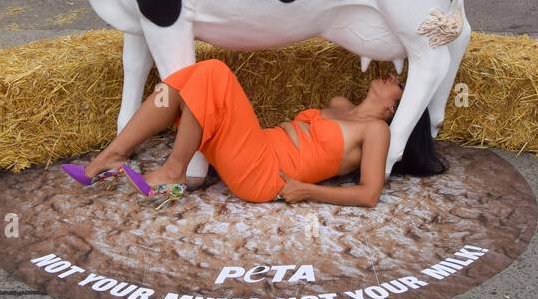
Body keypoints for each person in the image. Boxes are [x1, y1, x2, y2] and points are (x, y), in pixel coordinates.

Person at [80, 58, 441, 207]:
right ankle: (112, 154)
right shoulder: (340, 104)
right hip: (251, 148)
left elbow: (369, 194)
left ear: (396, 108)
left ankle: (175, 169)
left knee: (214, 71)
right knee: (183, 81)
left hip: (263, 175)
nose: (392, 76)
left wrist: (306, 191)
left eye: (399, 83)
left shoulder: (377, 130)